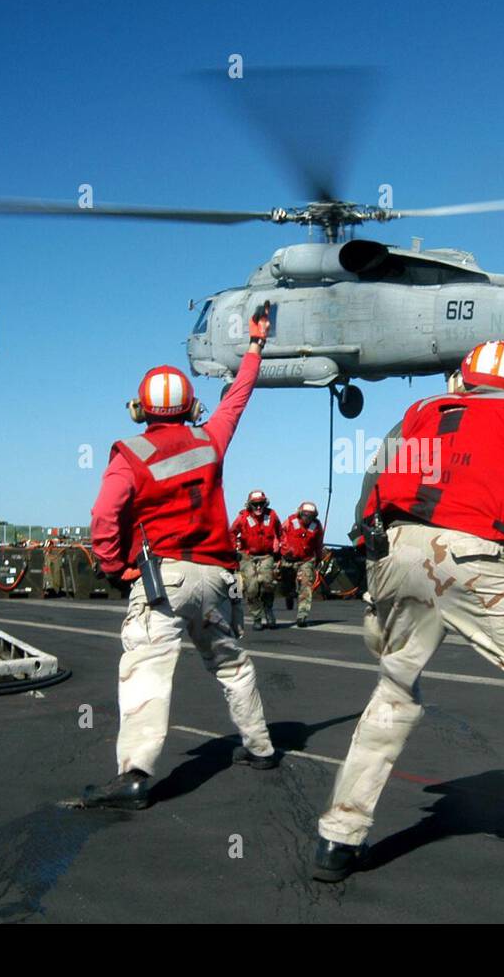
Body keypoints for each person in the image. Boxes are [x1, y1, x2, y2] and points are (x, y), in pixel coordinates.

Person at [312, 340, 504, 921]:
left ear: (464, 381)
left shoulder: (423, 412)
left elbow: (372, 490)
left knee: (394, 694)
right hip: (479, 560)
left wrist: (370, 572)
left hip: (397, 556)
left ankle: (339, 838)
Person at [82, 302, 280, 811]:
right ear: (192, 407)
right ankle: (259, 747)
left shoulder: (130, 455)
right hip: (215, 577)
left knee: (146, 673)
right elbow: (238, 396)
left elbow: (105, 517)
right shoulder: (210, 439)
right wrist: (256, 345)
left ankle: (134, 778)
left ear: (139, 409)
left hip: (162, 582)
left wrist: (113, 565)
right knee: (233, 665)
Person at [231, 489, 283, 630]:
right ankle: (257, 617)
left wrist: (279, 547)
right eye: (255, 504)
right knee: (252, 587)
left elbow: (280, 532)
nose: (258, 507)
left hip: (267, 555)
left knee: (267, 583)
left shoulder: (272, 515)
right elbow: (232, 533)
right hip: (247, 556)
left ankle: (268, 609)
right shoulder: (242, 517)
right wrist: (233, 549)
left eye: (261, 504)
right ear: (250, 505)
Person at [280, 501, 324, 627]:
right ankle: (289, 595)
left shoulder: (316, 526)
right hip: (288, 559)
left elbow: (318, 543)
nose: (307, 517)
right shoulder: (290, 521)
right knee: (287, 585)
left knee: (306, 585)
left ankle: (302, 615)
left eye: (310, 515)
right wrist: (282, 549)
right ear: (300, 513)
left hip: (306, 559)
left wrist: (319, 558)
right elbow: (280, 533)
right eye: (304, 514)